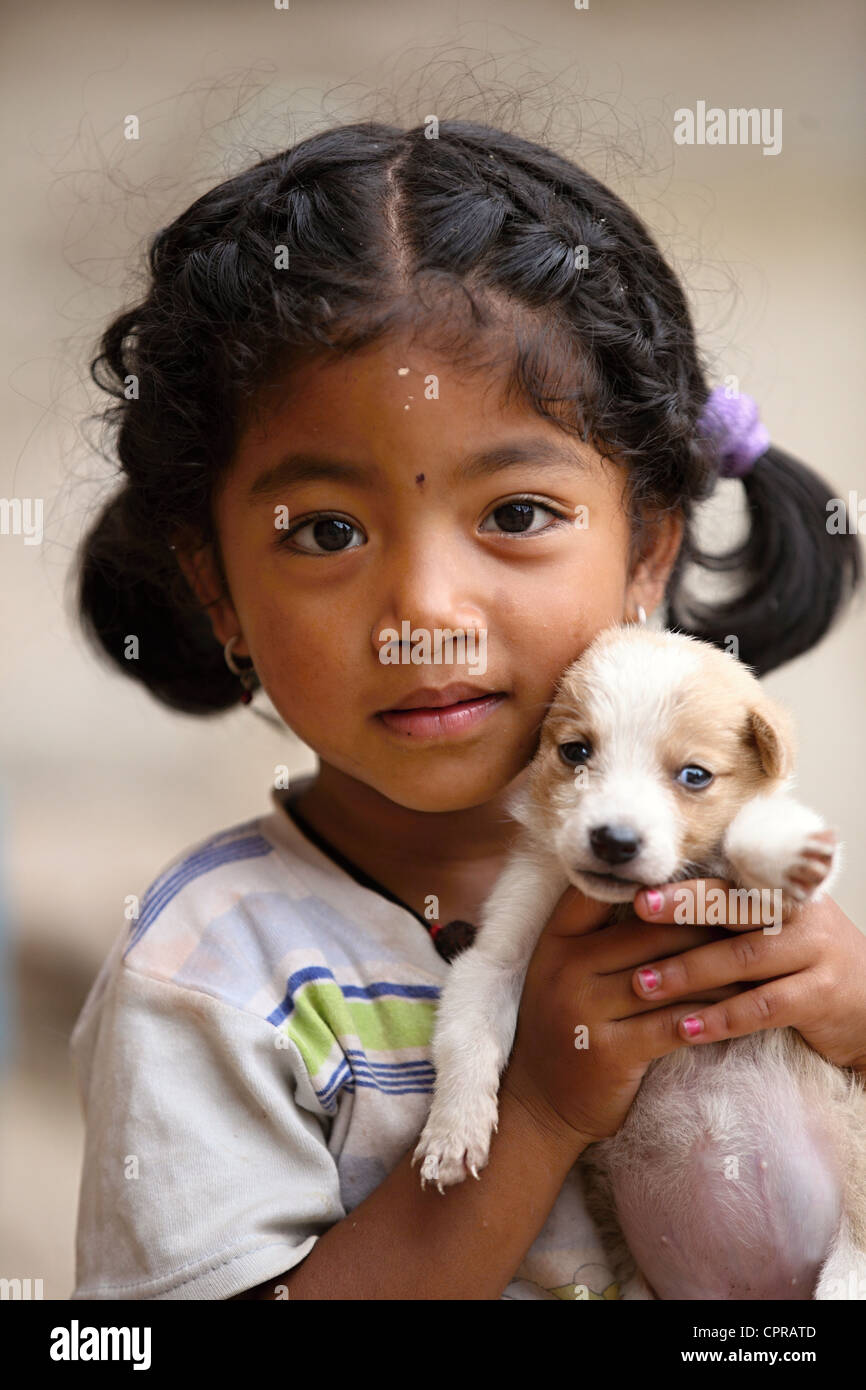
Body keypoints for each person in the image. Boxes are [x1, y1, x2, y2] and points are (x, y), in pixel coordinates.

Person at [70, 118, 866, 1301]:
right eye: (325, 531)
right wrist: (536, 1105)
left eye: (515, 513)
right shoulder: (206, 974)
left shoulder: (723, 866)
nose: (426, 609)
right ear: (215, 590)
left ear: (647, 551)